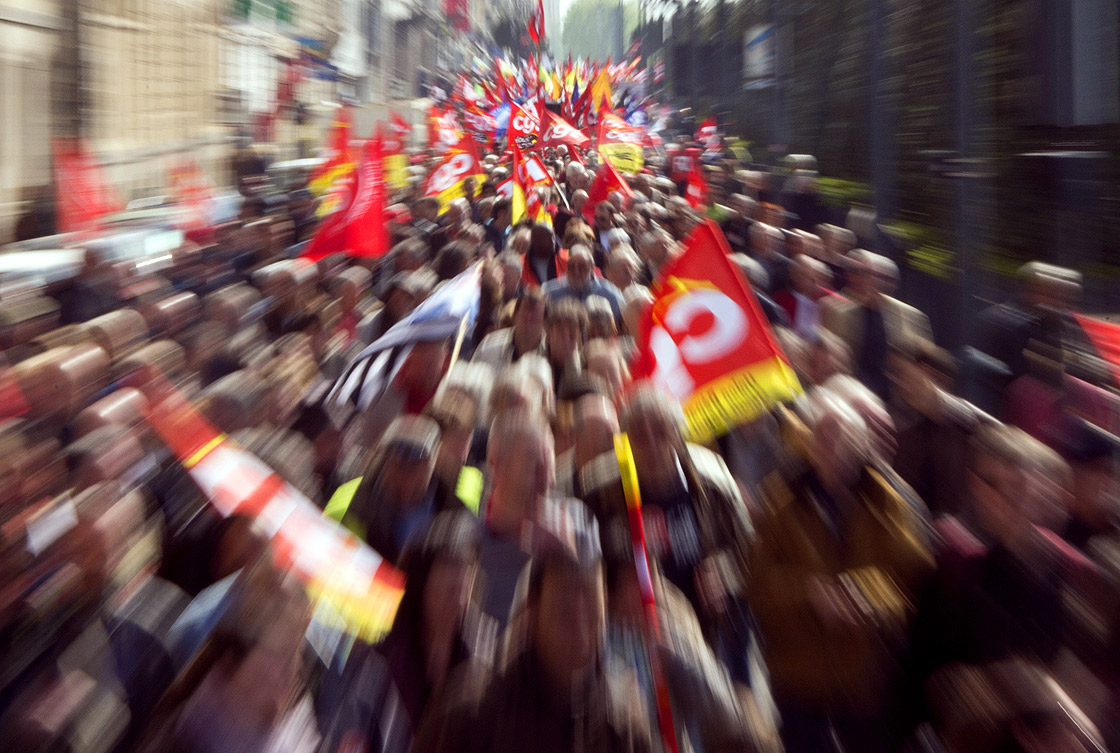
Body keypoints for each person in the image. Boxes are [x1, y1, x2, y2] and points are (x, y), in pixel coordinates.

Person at [749, 389, 934, 753]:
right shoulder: (780, 499)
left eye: (844, 438)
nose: (833, 449)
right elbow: (757, 582)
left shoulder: (888, 502)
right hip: (797, 674)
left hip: (860, 678)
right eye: (824, 436)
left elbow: (912, 578)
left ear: (862, 444)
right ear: (810, 442)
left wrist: (865, 595)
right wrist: (809, 591)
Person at [413, 500, 655, 753]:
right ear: (531, 608)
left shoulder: (623, 722)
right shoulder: (471, 713)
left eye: (589, 596)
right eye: (565, 600)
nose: (579, 614)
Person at [316, 511, 494, 753]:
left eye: (464, 575)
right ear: (421, 585)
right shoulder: (378, 667)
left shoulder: (484, 661)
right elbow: (349, 736)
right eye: (445, 575)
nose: (456, 594)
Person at [823, 249, 933, 401]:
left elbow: (924, 363)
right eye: (864, 273)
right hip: (855, 395)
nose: (871, 280)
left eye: (880, 276)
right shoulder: (838, 312)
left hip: (899, 398)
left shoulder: (910, 316)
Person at [541, 244, 624, 323]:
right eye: (571, 266)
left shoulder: (610, 294)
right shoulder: (550, 293)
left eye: (582, 267)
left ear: (592, 269)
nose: (576, 271)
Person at [471, 287, 547, 370]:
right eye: (524, 317)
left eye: (534, 318)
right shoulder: (488, 346)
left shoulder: (550, 353)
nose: (529, 321)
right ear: (515, 316)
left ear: (544, 322)